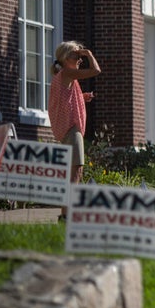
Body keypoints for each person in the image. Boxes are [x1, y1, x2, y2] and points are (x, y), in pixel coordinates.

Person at [48, 41, 101, 217]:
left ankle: (66, 213)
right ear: (65, 58)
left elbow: (64, 99)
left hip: (67, 129)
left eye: (80, 56)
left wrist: (81, 96)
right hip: (71, 129)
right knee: (76, 171)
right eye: (76, 55)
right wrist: (89, 54)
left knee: (72, 172)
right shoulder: (67, 73)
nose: (79, 59)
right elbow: (96, 70)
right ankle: (67, 215)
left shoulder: (63, 76)